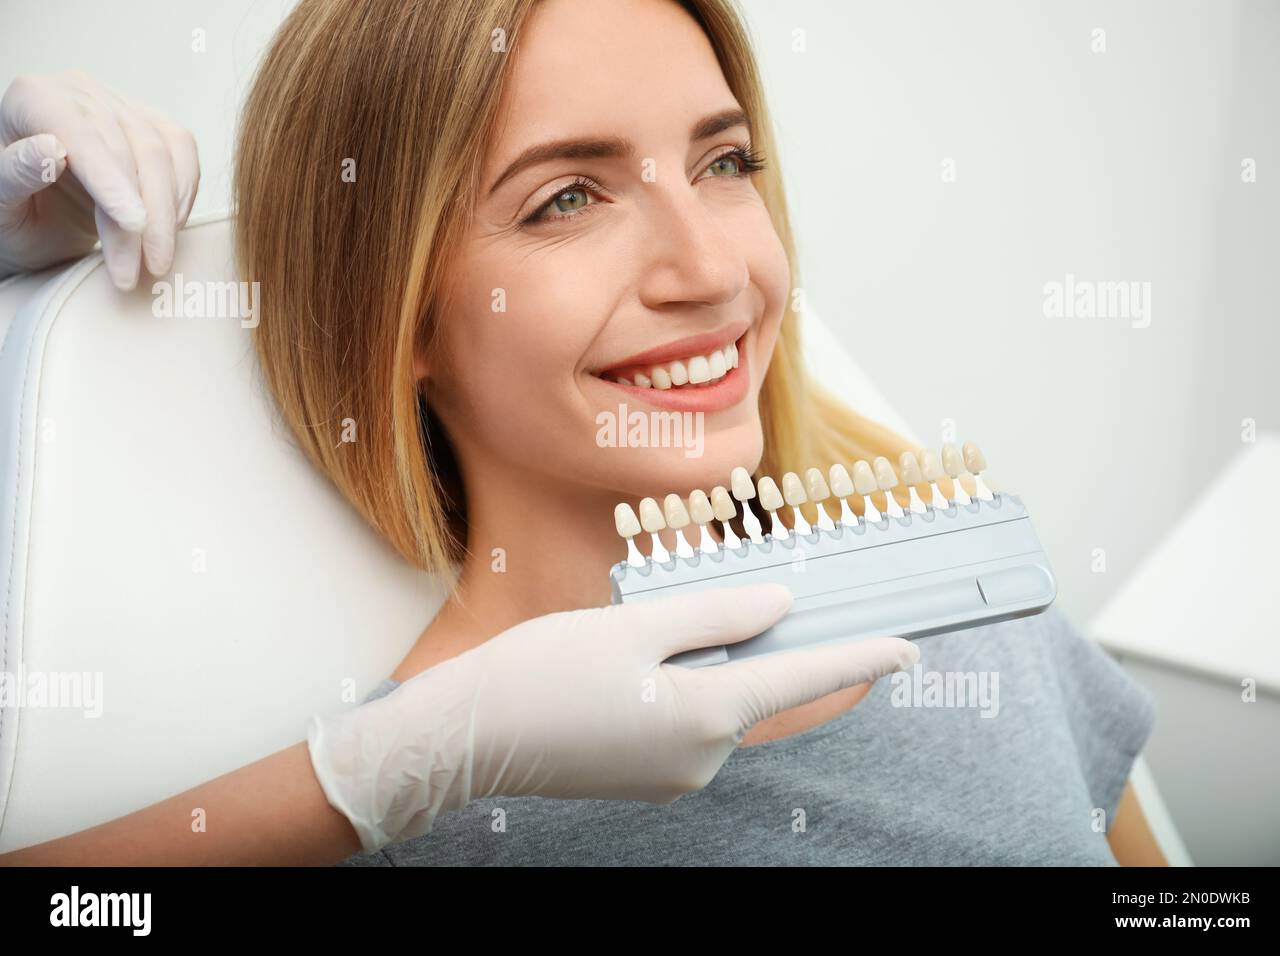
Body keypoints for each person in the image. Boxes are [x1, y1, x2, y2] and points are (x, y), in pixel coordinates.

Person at [0, 0, 1167, 866]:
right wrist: (381, 776)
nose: (713, 271)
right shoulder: (389, 804)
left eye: (724, 163)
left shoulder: (960, 589)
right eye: (567, 197)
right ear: (393, 311)